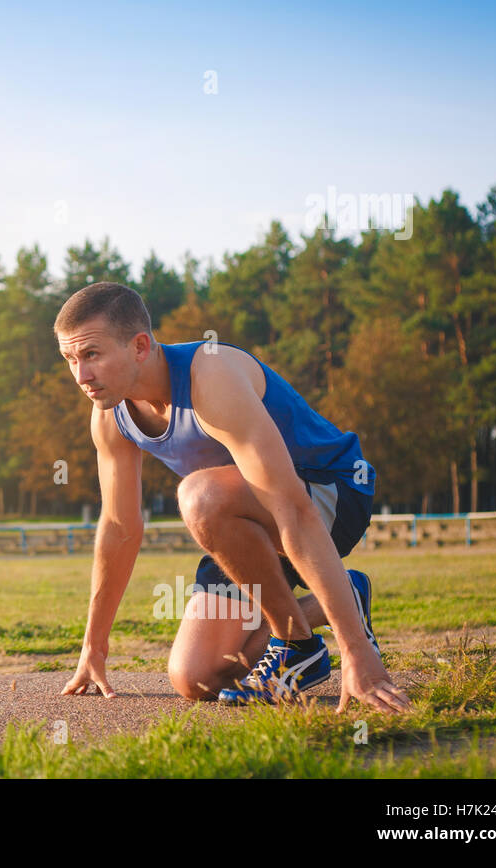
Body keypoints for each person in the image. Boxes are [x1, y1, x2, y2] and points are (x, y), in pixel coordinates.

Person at [54, 282, 411, 713]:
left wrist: (357, 651)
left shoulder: (211, 377)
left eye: (91, 354)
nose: (81, 375)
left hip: (328, 495)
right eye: (70, 359)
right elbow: (119, 528)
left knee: (199, 495)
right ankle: (334, 605)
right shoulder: (111, 415)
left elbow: (293, 509)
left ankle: (297, 644)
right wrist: (94, 646)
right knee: (197, 677)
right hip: (242, 522)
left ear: (140, 346)